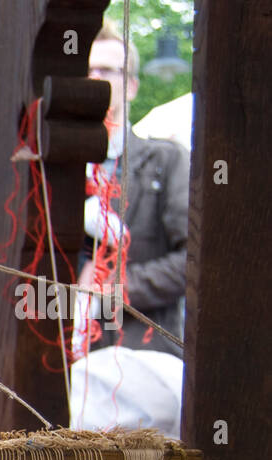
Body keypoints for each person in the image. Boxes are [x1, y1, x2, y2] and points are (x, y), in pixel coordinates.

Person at [80, 22, 188, 358]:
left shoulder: (166, 160)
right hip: (61, 359)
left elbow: (195, 261)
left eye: (107, 70)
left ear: (130, 86)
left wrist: (112, 288)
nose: (94, 78)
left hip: (143, 355)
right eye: (87, 70)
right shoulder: (54, 170)